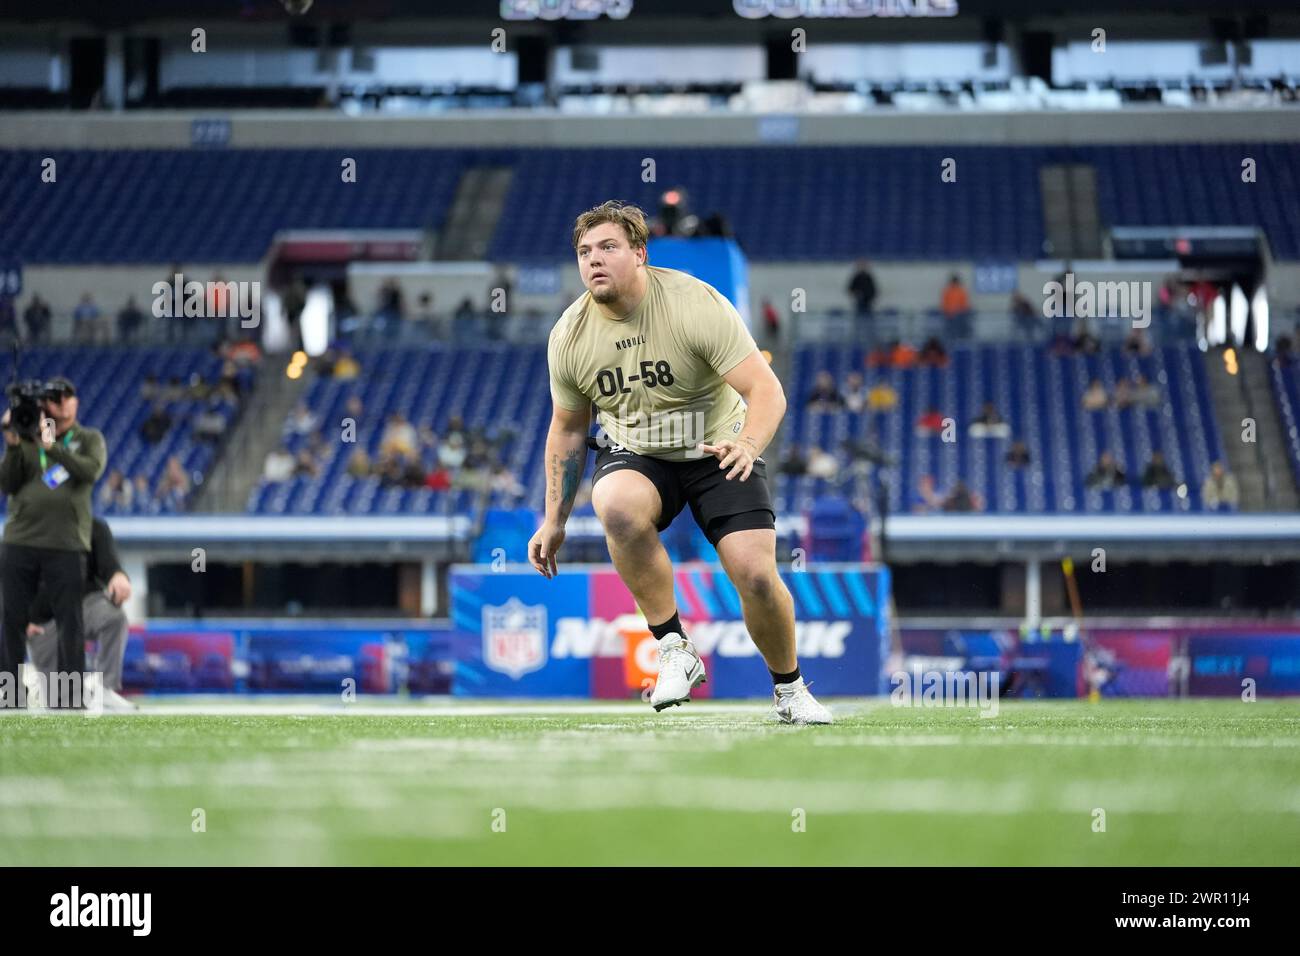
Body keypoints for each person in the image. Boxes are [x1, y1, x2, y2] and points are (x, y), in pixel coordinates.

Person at [528, 200, 832, 724]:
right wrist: (553, 519)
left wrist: (749, 444)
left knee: (755, 574)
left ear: (640, 253)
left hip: (719, 446)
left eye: (607, 247)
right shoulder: (569, 336)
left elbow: (766, 388)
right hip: (639, 451)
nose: (593, 260)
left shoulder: (694, 303)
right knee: (615, 504)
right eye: (583, 252)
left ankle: (790, 690)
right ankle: (673, 647)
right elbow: (569, 429)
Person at [0, 377, 108, 708]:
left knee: (69, 621)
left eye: (66, 397)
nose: (59, 402)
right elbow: (7, 483)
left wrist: (53, 448)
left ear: (76, 403)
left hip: (66, 544)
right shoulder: (26, 436)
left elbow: (88, 471)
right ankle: (8, 695)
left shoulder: (89, 439)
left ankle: (68, 696)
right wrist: (13, 441)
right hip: (20, 540)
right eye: (53, 397)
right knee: (10, 619)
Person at [25, 517, 136, 712]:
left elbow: (108, 564)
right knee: (60, 703)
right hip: (43, 622)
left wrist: (117, 575)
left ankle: (105, 688)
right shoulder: (24, 531)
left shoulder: (94, 526)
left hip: (84, 605)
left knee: (113, 617)